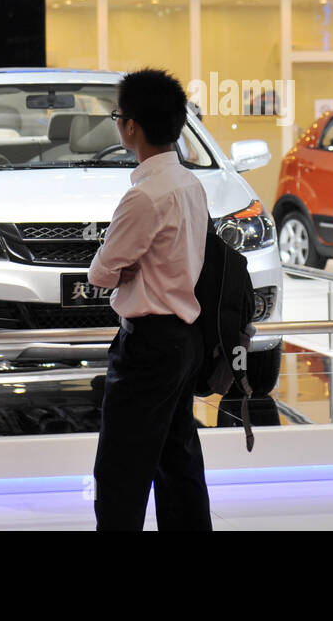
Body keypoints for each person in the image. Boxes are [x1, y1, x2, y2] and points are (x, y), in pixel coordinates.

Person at [88, 68, 212, 531]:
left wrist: (119, 266)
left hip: (148, 347)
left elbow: (101, 273)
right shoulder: (189, 185)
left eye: (118, 116)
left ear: (131, 126)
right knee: (177, 464)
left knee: (121, 471)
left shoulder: (143, 197)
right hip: (183, 339)